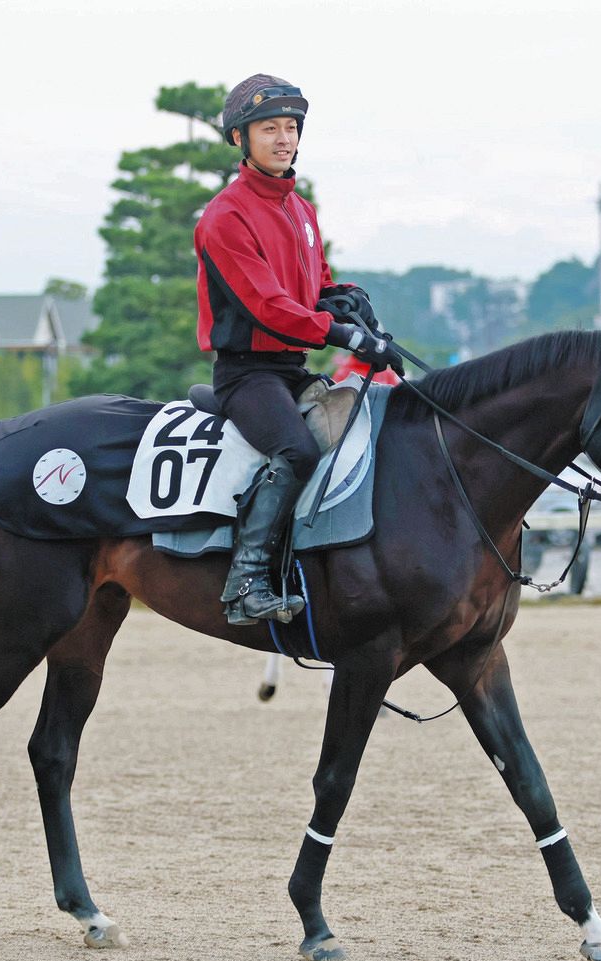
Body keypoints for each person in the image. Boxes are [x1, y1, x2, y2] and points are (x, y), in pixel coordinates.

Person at [195, 73, 404, 626]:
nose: (284, 138)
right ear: (240, 139)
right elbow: (267, 306)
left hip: (292, 368)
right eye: (270, 128)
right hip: (248, 376)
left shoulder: (301, 209)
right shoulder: (224, 216)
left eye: (291, 127)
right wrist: (342, 334)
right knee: (297, 452)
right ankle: (245, 583)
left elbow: (313, 289)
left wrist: (350, 305)